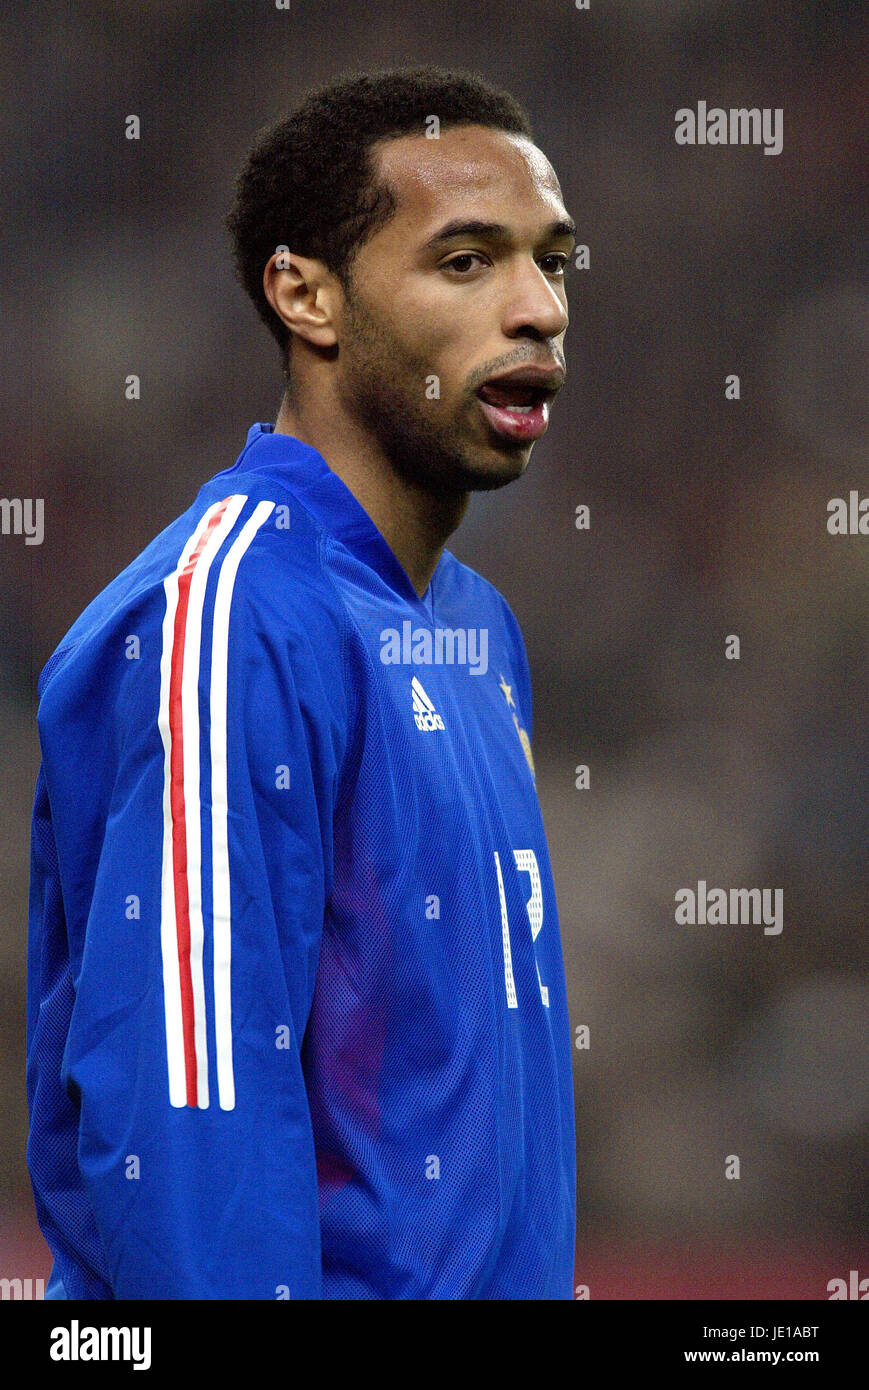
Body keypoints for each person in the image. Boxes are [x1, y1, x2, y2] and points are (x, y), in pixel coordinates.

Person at [26, 65, 577, 1300]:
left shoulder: (476, 632)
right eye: (466, 261)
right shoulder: (223, 618)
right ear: (304, 295)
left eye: (553, 262)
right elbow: (190, 1106)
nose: (538, 308)